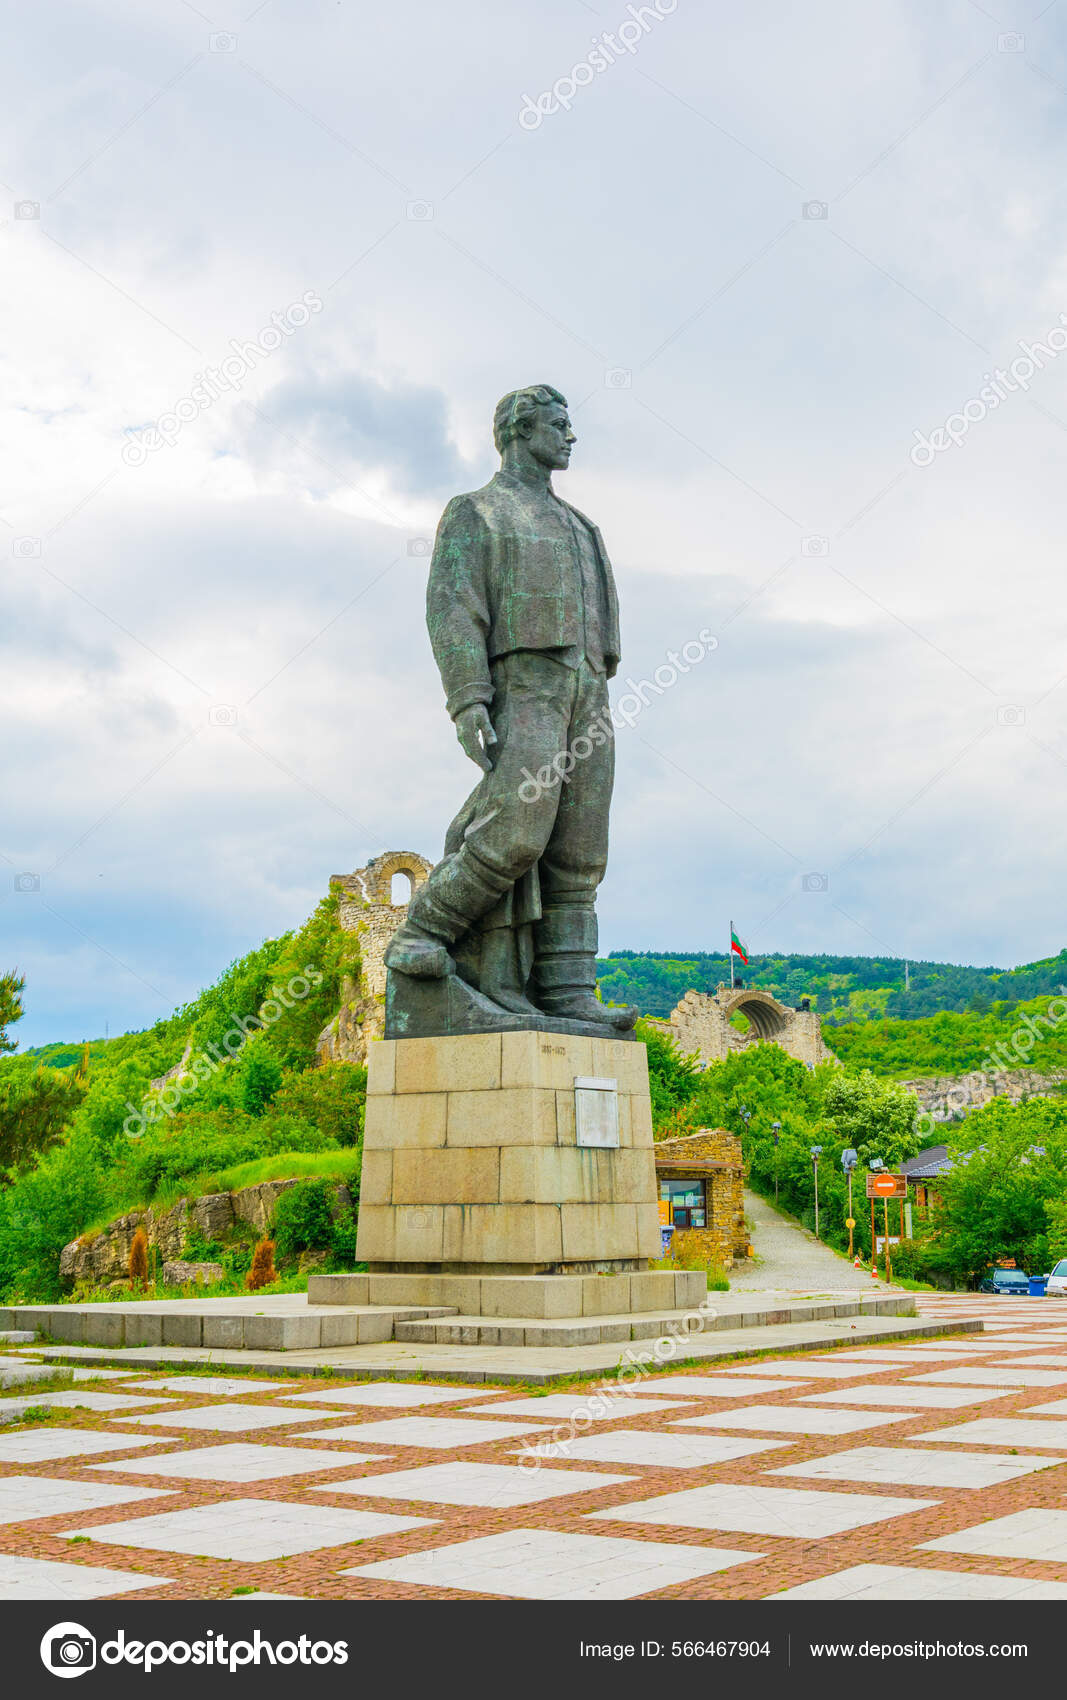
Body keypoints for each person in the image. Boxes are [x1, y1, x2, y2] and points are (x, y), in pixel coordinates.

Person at [385, 383, 635, 1032]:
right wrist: (468, 697)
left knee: (581, 850)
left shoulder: (582, 526)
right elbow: (453, 607)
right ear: (521, 431)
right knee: (516, 830)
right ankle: (422, 933)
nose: (571, 435)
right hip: (526, 683)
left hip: (588, 688)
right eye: (559, 424)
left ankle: (568, 988)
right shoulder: (479, 513)